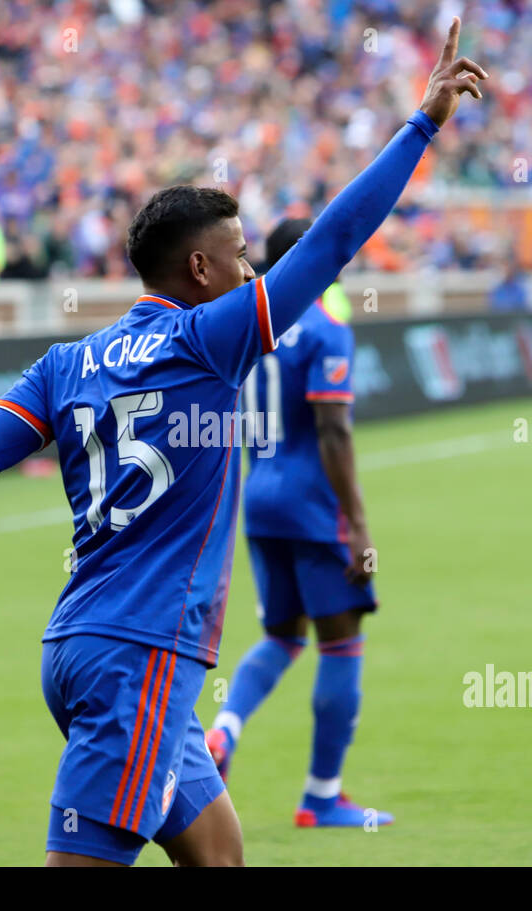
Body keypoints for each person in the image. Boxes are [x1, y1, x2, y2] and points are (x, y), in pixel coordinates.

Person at [0, 18, 487, 867]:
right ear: (201, 273)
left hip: (82, 647)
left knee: (219, 858)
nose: (255, 272)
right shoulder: (210, 340)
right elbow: (331, 243)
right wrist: (424, 123)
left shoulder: (66, 363)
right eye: (242, 255)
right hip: (139, 658)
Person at [206, 217, 386, 827]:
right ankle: (321, 795)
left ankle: (223, 731)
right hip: (312, 506)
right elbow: (334, 429)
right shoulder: (327, 330)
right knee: (342, 642)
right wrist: (357, 526)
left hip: (259, 498)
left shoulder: (249, 327)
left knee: (284, 635)